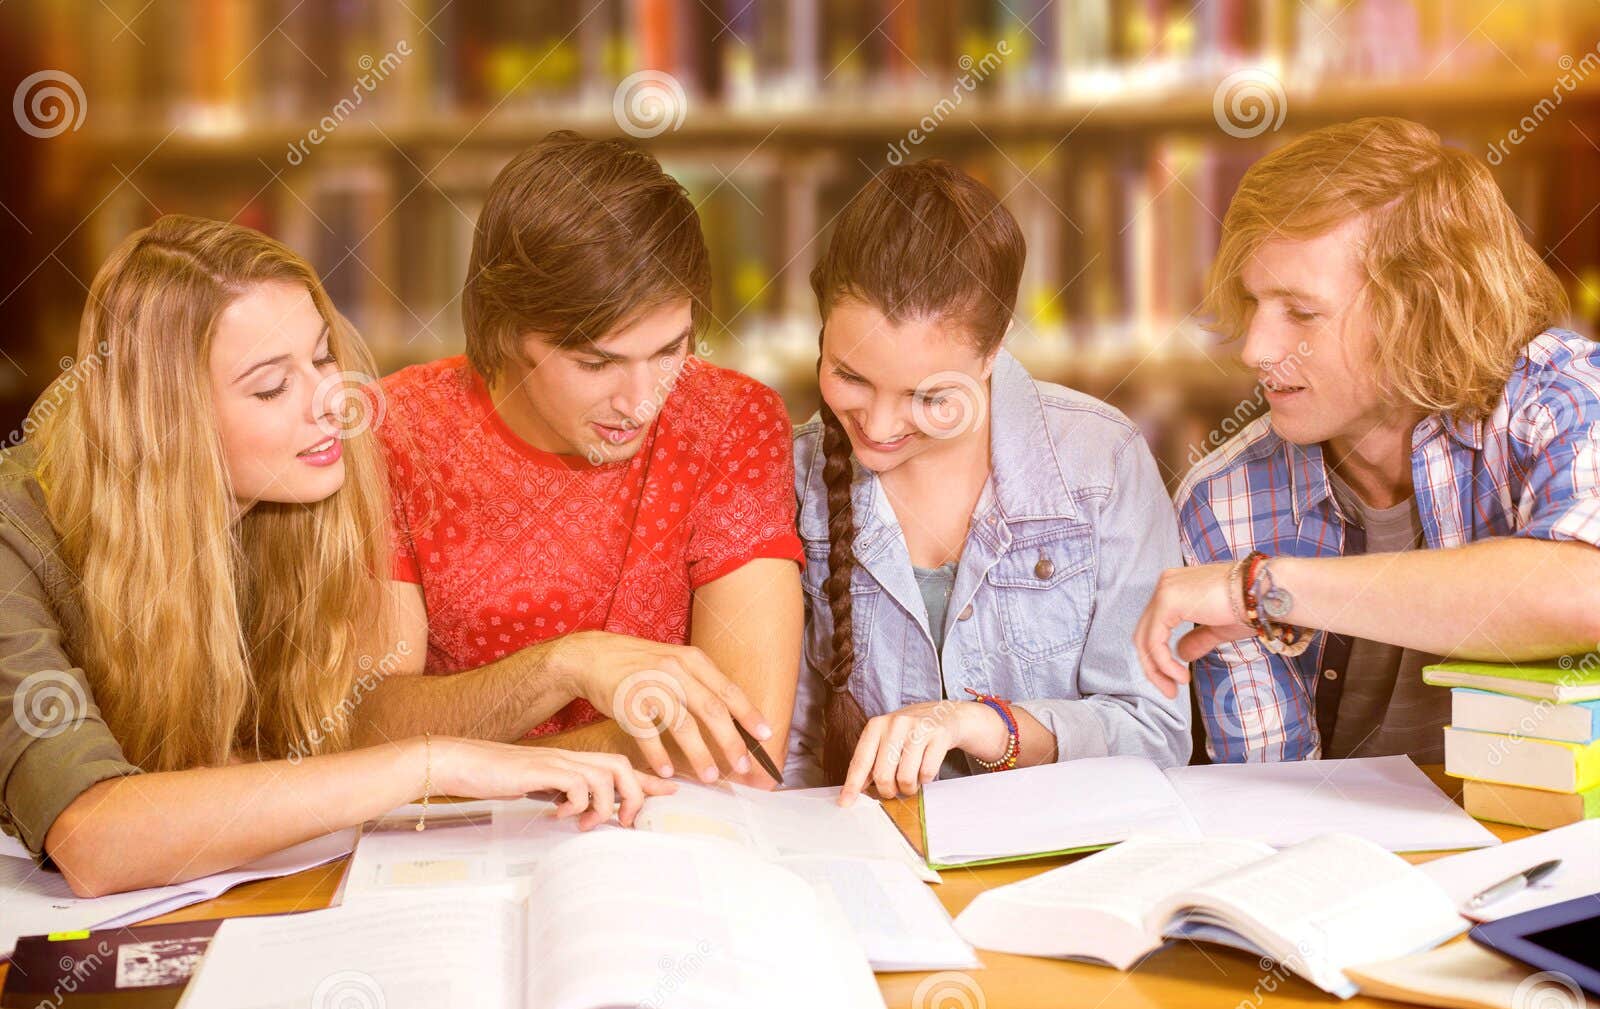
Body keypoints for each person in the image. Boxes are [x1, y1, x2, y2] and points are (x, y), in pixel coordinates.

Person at [0, 215, 668, 898]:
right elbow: (93, 839)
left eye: (321, 358)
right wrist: (427, 763)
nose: (330, 402)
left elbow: (292, 756)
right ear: (167, 420)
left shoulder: (292, 502)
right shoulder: (13, 540)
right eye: (269, 387)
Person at [1137, 117, 1600, 763]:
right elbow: (1272, 788)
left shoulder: (1559, 399)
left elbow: (1585, 594)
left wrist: (1263, 588)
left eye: (1301, 312)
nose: (1254, 349)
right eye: (1254, 303)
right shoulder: (1224, 498)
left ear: (1422, 308)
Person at [353, 132, 805, 786]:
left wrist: (459, 759)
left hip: (661, 854)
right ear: (506, 330)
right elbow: (366, 727)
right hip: (455, 858)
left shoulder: (731, 420)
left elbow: (743, 749)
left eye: (670, 350)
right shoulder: (395, 432)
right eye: (597, 363)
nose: (641, 400)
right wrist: (562, 664)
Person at [786, 159, 1190, 801]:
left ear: (994, 346)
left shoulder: (1100, 463)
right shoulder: (795, 477)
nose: (881, 424)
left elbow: (1155, 734)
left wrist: (987, 727)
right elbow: (789, 755)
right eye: (851, 377)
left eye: (927, 395)